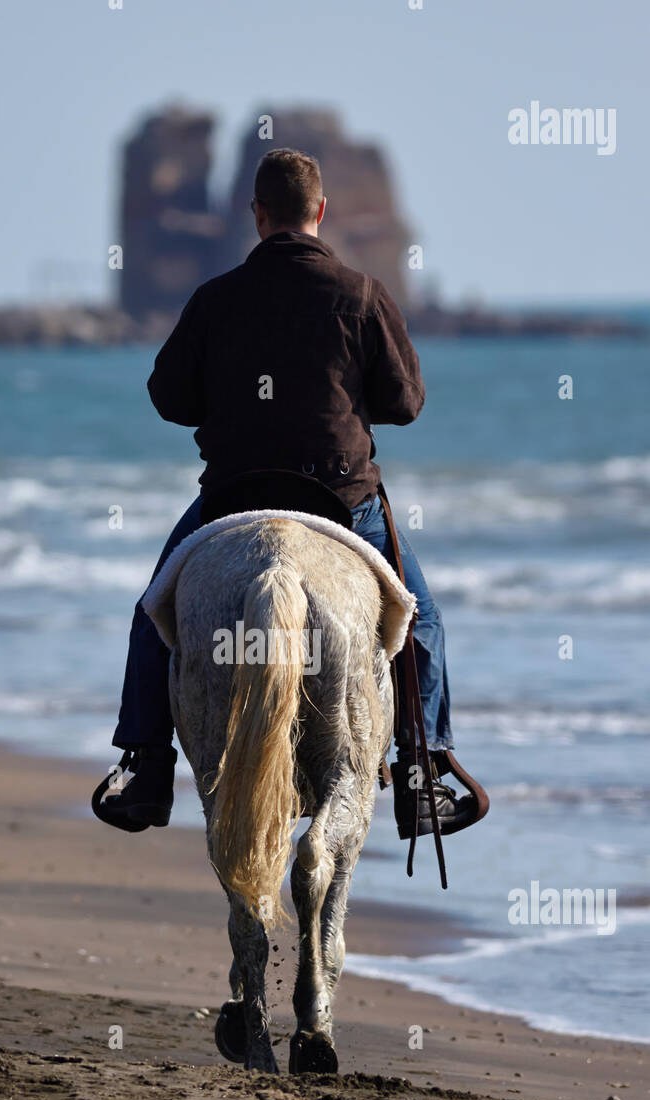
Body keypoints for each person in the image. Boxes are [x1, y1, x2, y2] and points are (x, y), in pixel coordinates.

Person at [94, 148, 487, 842]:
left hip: (233, 501)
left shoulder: (215, 298)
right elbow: (406, 404)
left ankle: (145, 765)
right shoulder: (362, 294)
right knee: (420, 622)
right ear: (320, 212)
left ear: (257, 215)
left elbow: (168, 398)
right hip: (342, 500)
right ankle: (422, 774)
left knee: (153, 614)